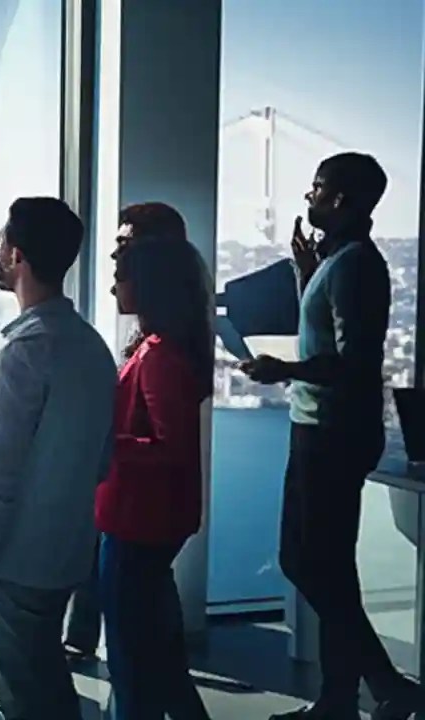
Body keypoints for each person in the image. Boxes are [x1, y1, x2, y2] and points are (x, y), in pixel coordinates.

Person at [241, 152, 422, 720]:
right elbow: (330, 334)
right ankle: (344, 697)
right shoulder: (339, 260)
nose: (308, 198)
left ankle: (378, 685)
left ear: (340, 199)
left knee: (308, 562)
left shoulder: (353, 265)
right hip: (323, 429)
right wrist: (303, 275)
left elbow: (354, 362)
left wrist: (283, 370)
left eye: (317, 188)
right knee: (325, 566)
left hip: (330, 434)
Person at [0, 197, 116, 720]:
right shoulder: (92, 347)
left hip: (14, 565)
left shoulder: (21, 355)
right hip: (66, 554)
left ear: (16, 256)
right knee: (51, 691)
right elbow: (102, 460)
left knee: (26, 699)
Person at [98, 202, 212, 719]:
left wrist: (104, 442)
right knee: (161, 657)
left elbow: (172, 448)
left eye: (120, 277)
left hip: (138, 521)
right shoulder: (161, 346)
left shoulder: (160, 355)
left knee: (131, 660)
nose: (113, 288)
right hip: (146, 521)